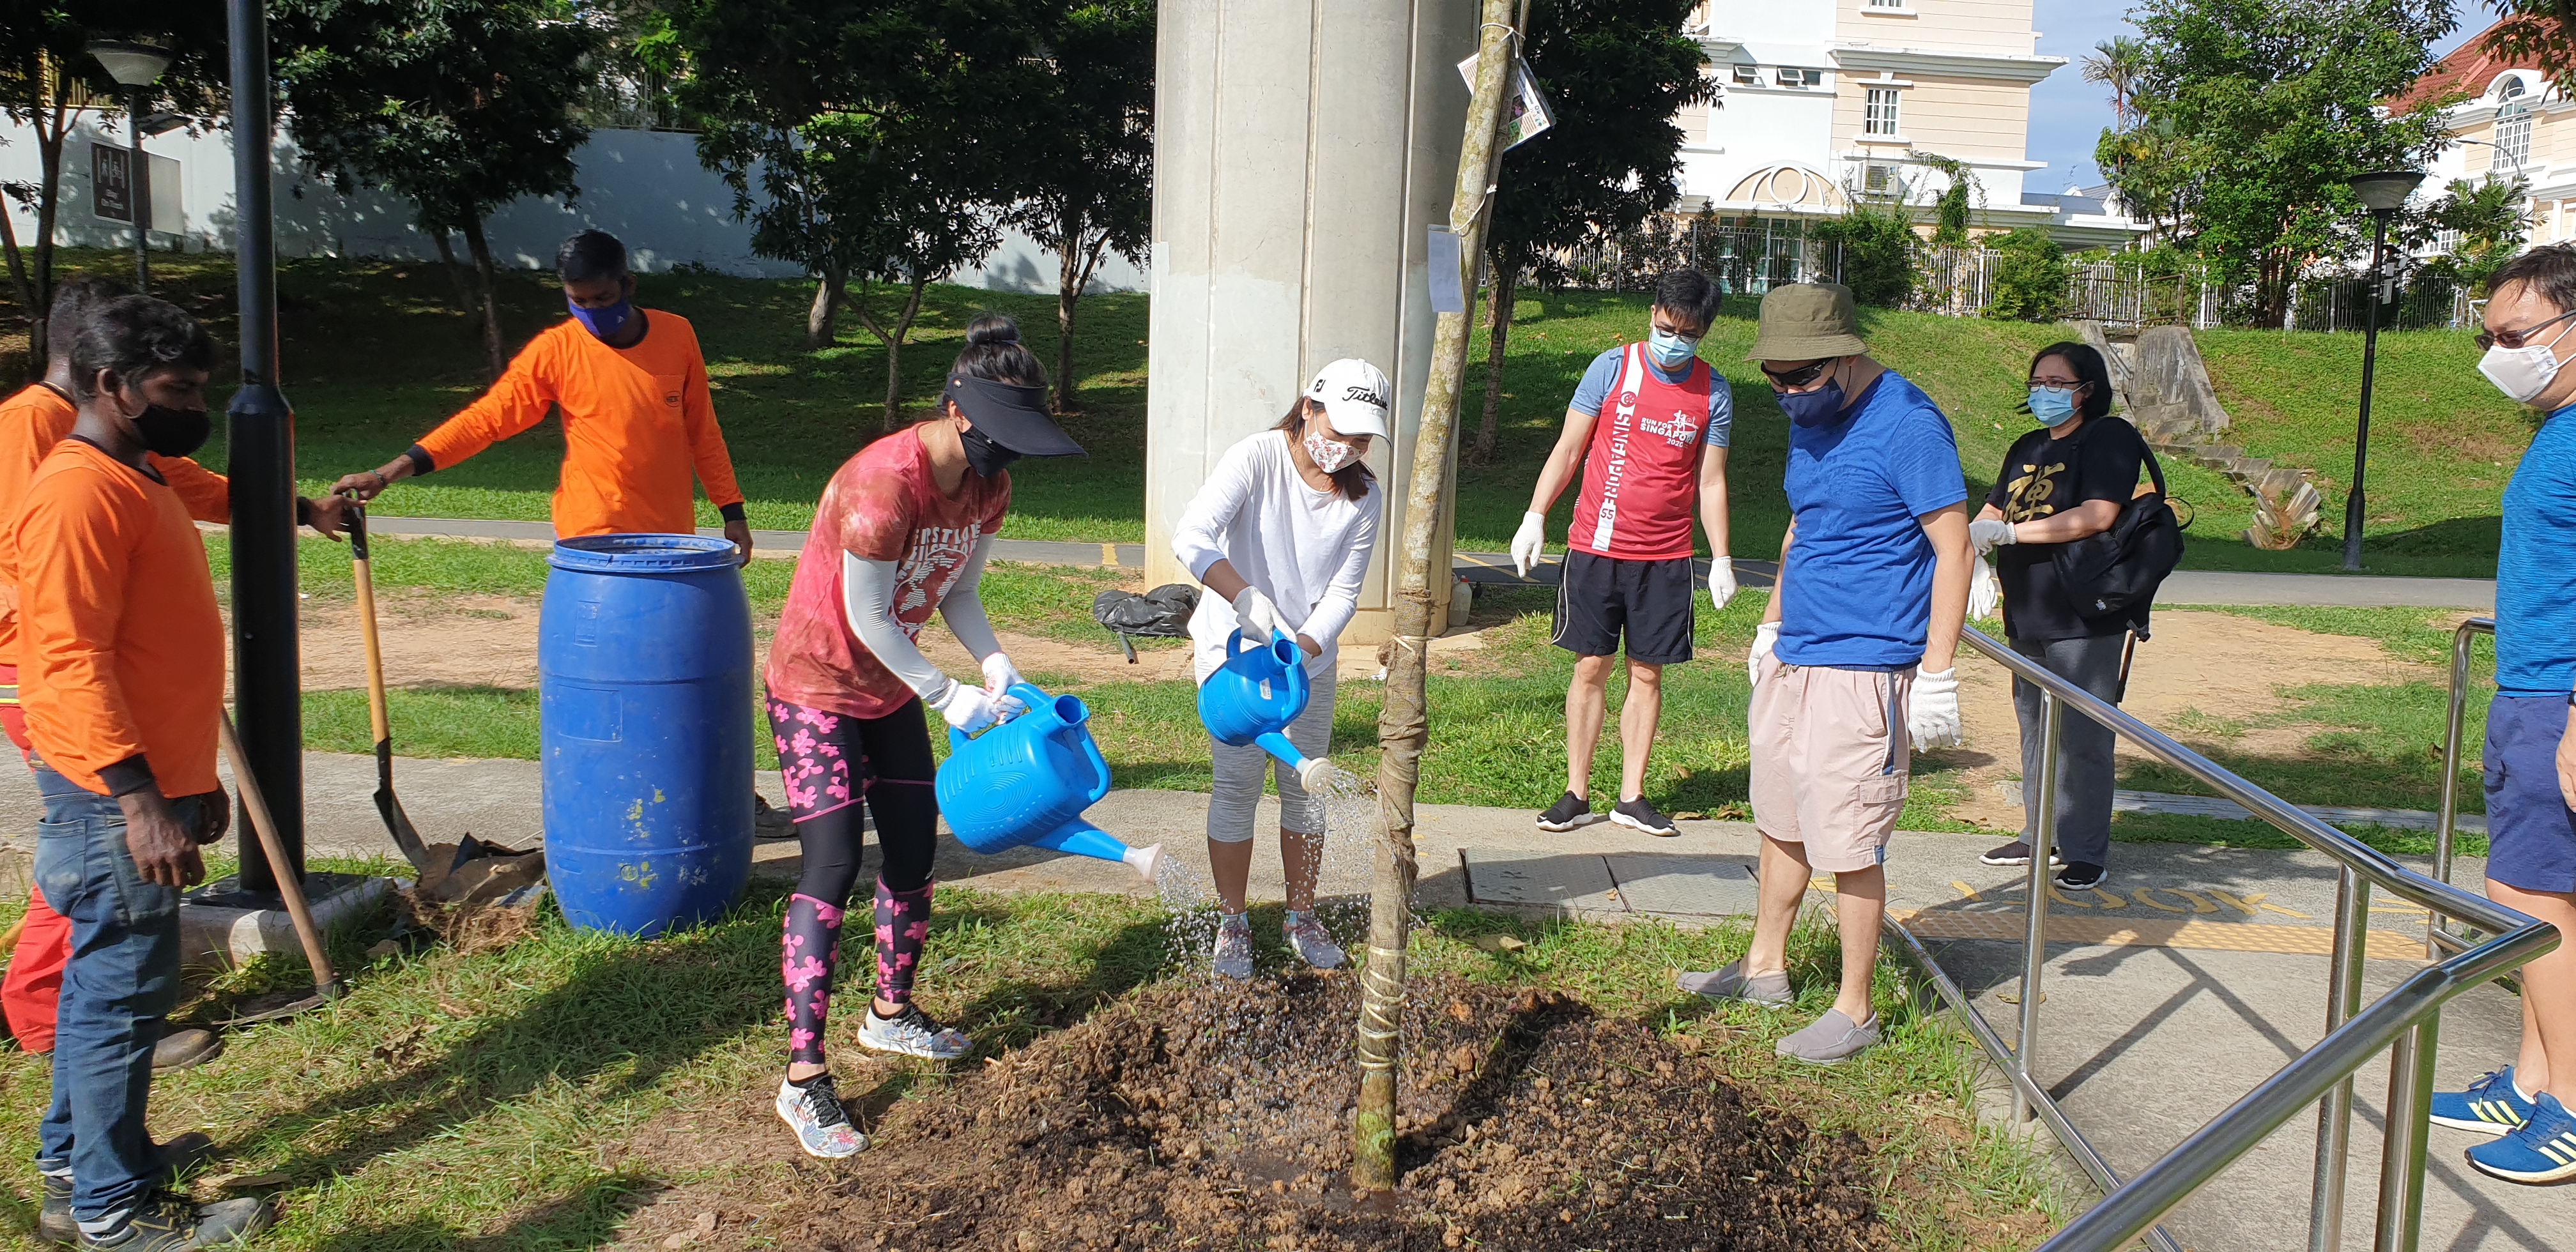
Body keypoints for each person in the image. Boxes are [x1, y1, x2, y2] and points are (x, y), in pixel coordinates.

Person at [758, 315, 1082, 1158]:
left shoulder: (988, 490)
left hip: (891, 687)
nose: (1006, 463)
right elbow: (867, 616)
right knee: (831, 863)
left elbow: (956, 595)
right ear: (958, 413)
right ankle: (802, 1080)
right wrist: (948, 695)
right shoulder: (880, 489)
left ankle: (889, 1015)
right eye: (999, 441)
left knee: (913, 855)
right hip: (818, 689)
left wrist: (997, 665)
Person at [17, 296, 301, 1247]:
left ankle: (84, 1173)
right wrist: (141, 801)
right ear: (110, 385)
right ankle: (112, 1214)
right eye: (177, 390)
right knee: (120, 994)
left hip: (146, 781)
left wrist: (192, 782)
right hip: (109, 797)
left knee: (115, 988)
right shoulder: (76, 493)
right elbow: (66, 658)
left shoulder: (137, 470)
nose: (193, 406)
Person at [1675, 282, 1969, 1065]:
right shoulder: (1809, 416)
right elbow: (1806, 526)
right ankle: (1766, 966)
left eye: (1800, 377)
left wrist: (1937, 671)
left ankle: (1856, 1008)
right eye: (1772, 376)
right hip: (1797, 656)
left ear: (1846, 357)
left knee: (1848, 839)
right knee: (1781, 815)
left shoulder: (1908, 424)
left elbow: (1955, 549)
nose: (1786, 391)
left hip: (1865, 668)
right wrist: (1772, 625)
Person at [2425, 244, 2576, 1186]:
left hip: (2556, 699)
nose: (2498, 354)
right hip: (2533, 685)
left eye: (2514, 335)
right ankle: (2531, 1081)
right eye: (2488, 336)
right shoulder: (2553, 424)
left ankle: (2571, 1103)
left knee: (2527, 898)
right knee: (2545, 894)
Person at [328, 229, 754, 562]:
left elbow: (702, 432)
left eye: (604, 298)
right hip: (592, 536)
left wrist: (732, 511)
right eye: (578, 301)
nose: (593, 310)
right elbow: (484, 421)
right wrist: (389, 472)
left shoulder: (677, 335)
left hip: (670, 536)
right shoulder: (555, 350)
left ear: (629, 286)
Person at [1173, 359, 1386, 979]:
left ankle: (1301, 915)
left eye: (1362, 439)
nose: (1346, 448)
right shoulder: (1257, 459)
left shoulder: (1363, 499)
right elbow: (1193, 535)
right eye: (1339, 430)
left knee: (1306, 790)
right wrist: (1243, 596)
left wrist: (1304, 647)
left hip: (1303, 667)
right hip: (1234, 661)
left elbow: (1344, 594)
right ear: (1308, 407)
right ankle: (1232, 921)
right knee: (1237, 787)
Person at [1510, 268, 1735, 837]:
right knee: (1590, 667)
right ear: (1651, 315)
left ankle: (1631, 796)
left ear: (1704, 333)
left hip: (1665, 557)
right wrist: (1535, 516)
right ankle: (1576, 792)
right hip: (1596, 546)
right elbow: (1568, 448)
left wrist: (1723, 556)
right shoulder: (1612, 368)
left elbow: (1711, 481)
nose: (1674, 342)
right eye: (1666, 328)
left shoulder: (1714, 391)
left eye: (1688, 335)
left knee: (1648, 675)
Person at [1966, 342, 2151, 892]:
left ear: (2086, 389)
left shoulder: (2109, 438)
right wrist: (1973, 548)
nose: (2043, 391)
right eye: (2037, 381)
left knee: (2085, 733)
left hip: (2084, 612)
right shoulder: (2026, 446)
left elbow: (2097, 515)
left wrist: (2012, 534)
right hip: (2029, 609)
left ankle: (2085, 848)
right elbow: (1994, 509)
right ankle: (2039, 832)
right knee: (2034, 726)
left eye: (2057, 382)